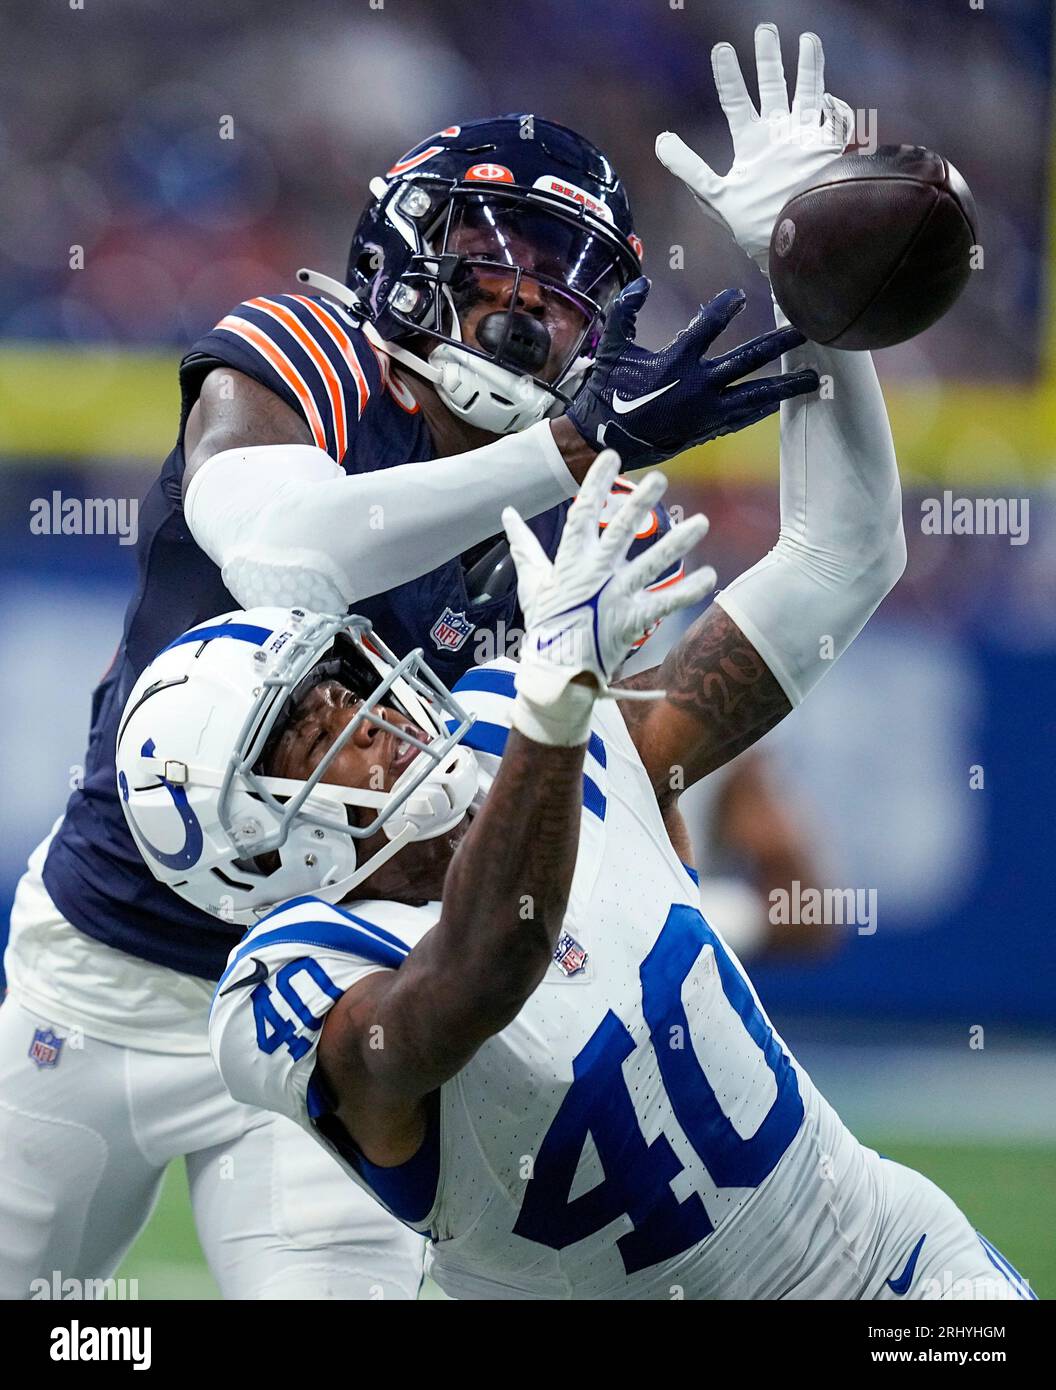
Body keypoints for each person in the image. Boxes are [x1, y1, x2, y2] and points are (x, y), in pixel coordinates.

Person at [0, 30, 825, 1297]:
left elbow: (629, 813)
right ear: (404, 255)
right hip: (101, 971)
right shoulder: (304, 358)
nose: (525, 301)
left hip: (319, 996)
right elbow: (280, 541)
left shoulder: (587, 504)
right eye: (497, 256)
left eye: (564, 284)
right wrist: (561, 449)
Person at [141, 447, 1027, 1298]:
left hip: (883, 1258)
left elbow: (844, 556)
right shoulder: (290, 981)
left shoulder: (504, 725)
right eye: (308, 734)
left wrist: (821, 323)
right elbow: (486, 966)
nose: (364, 718)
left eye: (340, 687)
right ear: (255, 844)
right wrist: (557, 701)